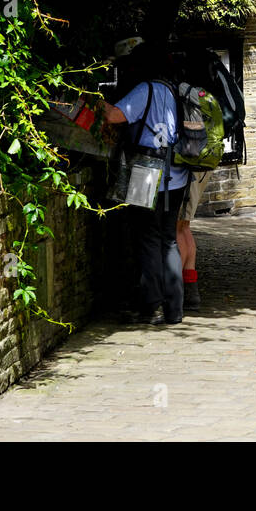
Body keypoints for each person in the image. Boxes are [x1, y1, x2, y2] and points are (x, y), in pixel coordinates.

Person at [99, 37, 189, 325]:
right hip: (176, 173)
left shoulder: (144, 90)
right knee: (168, 240)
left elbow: (114, 116)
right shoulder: (173, 90)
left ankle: (152, 306)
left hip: (146, 171)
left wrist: (91, 100)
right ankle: (175, 309)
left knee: (147, 238)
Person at [178, 169, 210, 309]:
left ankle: (175, 289)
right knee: (184, 226)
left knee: (178, 226)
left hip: (188, 166)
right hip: (200, 165)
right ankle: (190, 290)